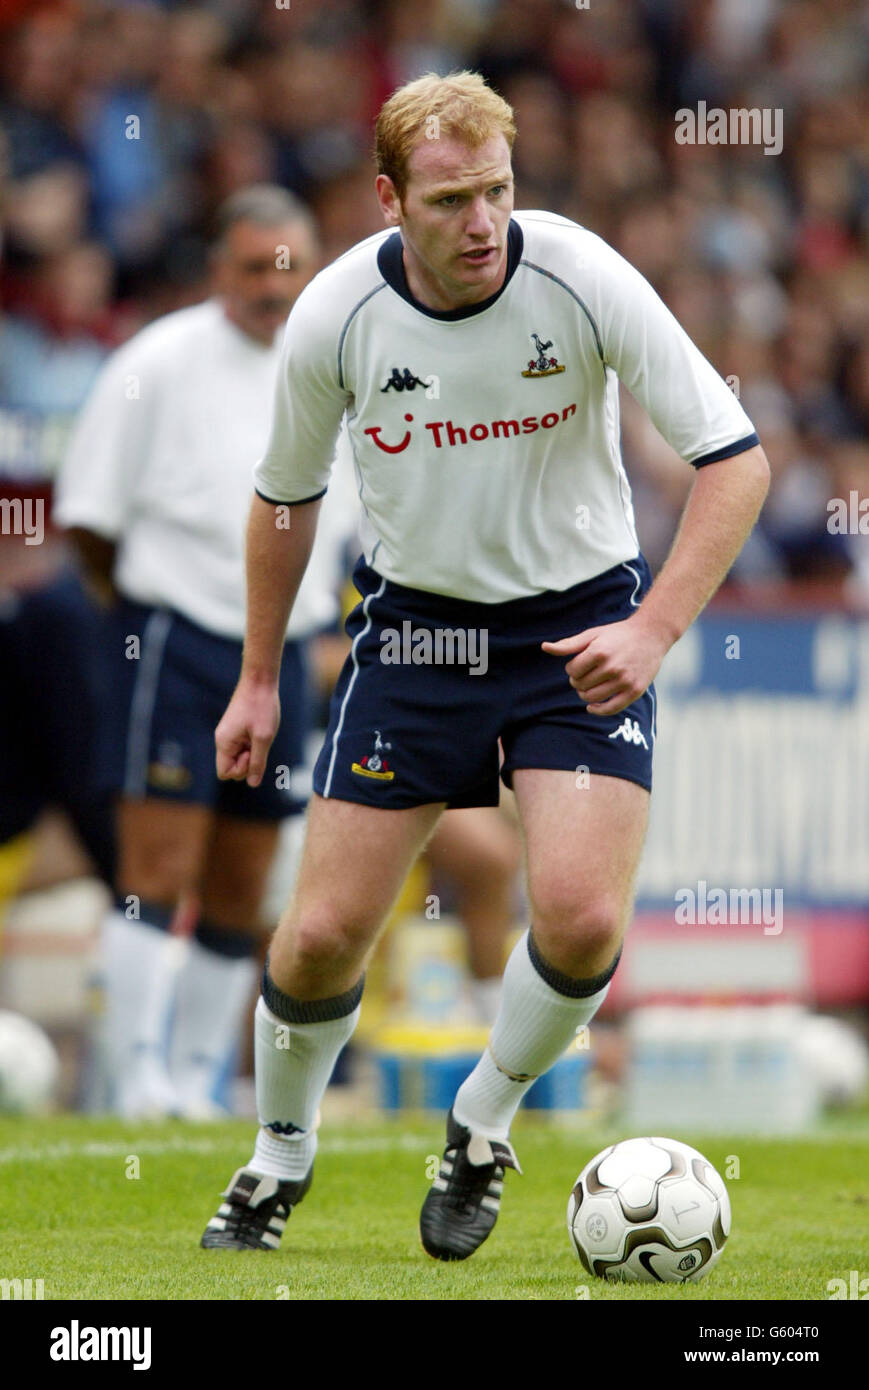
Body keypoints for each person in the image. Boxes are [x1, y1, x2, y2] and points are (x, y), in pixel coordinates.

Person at [200, 73, 769, 1258]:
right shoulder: (333, 315)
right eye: (452, 197)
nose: (481, 223)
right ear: (387, 198)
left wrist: (653, 627)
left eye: (497, 191)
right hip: (412, 634)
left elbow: (734, 460)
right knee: (312, 940)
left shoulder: (577, 272)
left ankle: (480, 1124)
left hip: (578, 627)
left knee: (572, 916)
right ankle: (276, 1159)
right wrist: (259, 676)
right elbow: (283, 501)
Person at [54, 184, 341, 1119]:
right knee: (156, 863)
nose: (270, 287)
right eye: (252, 267)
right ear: (218, 269)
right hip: (174, 635)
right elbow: (90, 520)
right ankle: (131, 1078)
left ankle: (193, 1081)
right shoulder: (157, 362)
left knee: (247, 874)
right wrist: (145, 617)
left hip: (289, 647)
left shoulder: (333, 363)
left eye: (285, 267)